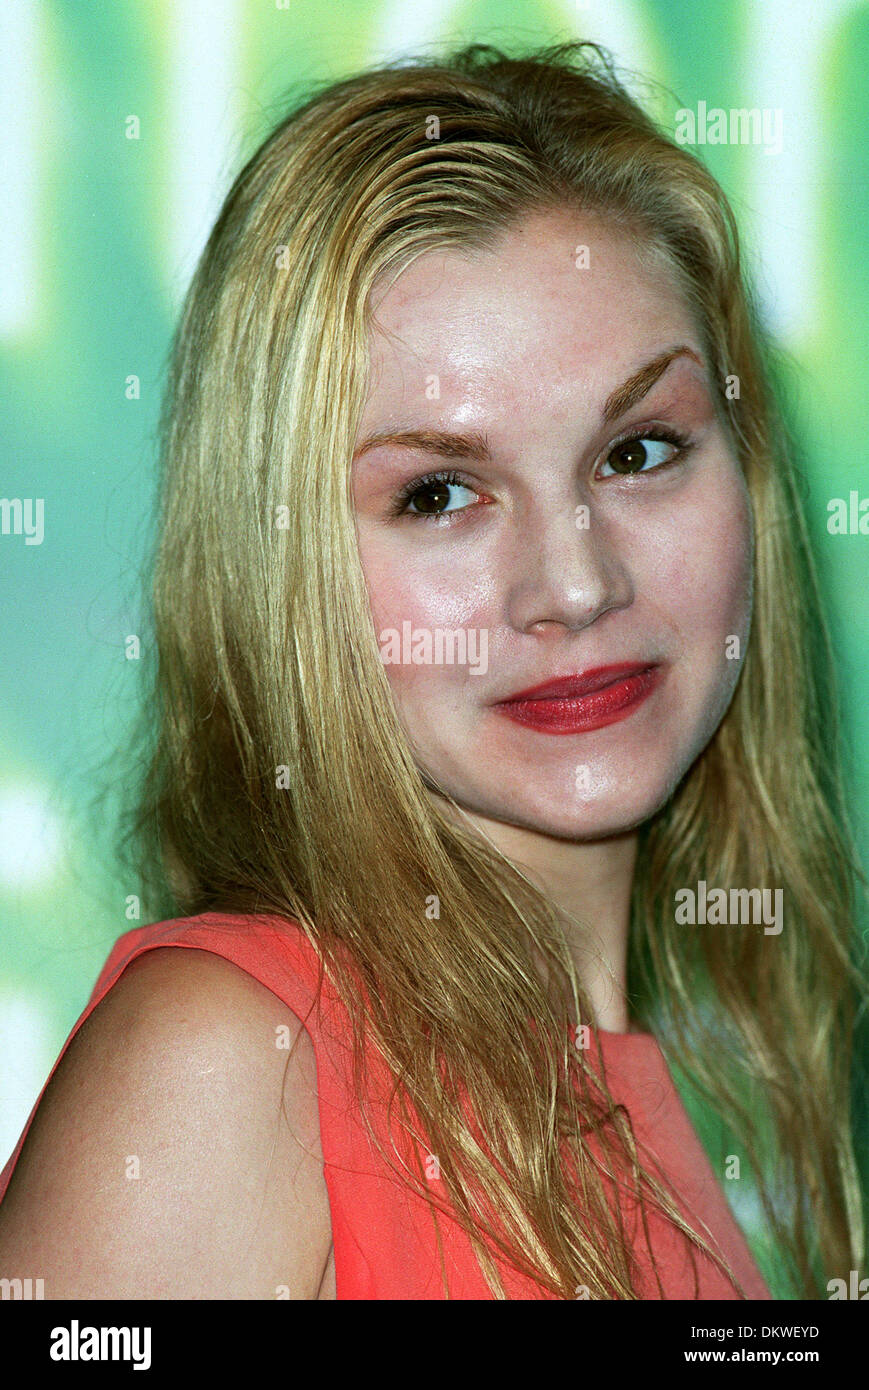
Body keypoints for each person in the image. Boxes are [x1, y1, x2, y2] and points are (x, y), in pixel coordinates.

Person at [0, 40, 865, 1301]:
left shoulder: (686, 1100)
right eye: (439, 492)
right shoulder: (238, 1059)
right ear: (280, 561)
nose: (574, 586)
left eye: (636, 452)